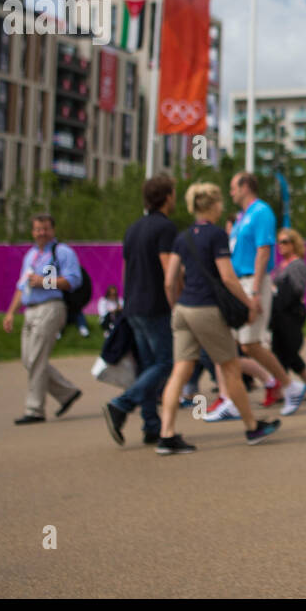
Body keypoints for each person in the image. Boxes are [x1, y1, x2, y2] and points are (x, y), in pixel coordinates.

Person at [156, 182, 280, 453]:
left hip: (183, 309)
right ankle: (251, 427)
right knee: (231, 368)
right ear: (213, 205)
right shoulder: (215, 235)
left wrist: (175, 305)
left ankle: (166, 434)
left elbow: (169, 280)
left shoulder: (183, 236)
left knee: (180, 370)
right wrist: (249, 302)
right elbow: (227, 277)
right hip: (206, 310)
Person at [216, 171, 306, 415]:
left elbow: (263, 251)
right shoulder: (242, 217)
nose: (231, 191)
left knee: (251, 343)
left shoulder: (261, 212)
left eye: (234, 186)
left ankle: (287, 385)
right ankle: (233, 398)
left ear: (246, 186)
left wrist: (255, 291)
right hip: (239, 283)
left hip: (252, 282)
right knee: (233, 344)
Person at [102, 176, 177, 448]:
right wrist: (177, 301)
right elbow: (169, 269)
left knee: (147, 365)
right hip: (156, 305)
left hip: (133, 305)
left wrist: (124, 301)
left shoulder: (133, 228)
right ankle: (121, 404)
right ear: (167, 197)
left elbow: (126, 269)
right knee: (166, 363)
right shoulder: (166, 229)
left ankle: (151, 426)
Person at [2, 214, 84, 424]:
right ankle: (67, 392)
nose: (41, 233)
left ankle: (34, 409)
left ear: (53, 230)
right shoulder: (30, 256)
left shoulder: (62, 252)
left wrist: (45, 282)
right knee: (28, 360)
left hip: (51, 307)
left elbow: (74, 280)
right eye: (38, 229)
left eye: (45, 229)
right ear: (32, 231)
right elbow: (22, 286)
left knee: (37, 359)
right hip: (30, 309)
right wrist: (11, 312)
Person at [272, 227, 306, 398]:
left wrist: (278, 293)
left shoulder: (297, 264)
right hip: (280, 312)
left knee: (285, 350)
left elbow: (297, 289)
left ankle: (282, 389)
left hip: (291, 313)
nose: (281, 245)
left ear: (294, 244)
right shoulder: (282, 265)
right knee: (285, 351)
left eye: (285, 241)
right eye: (279, 241)